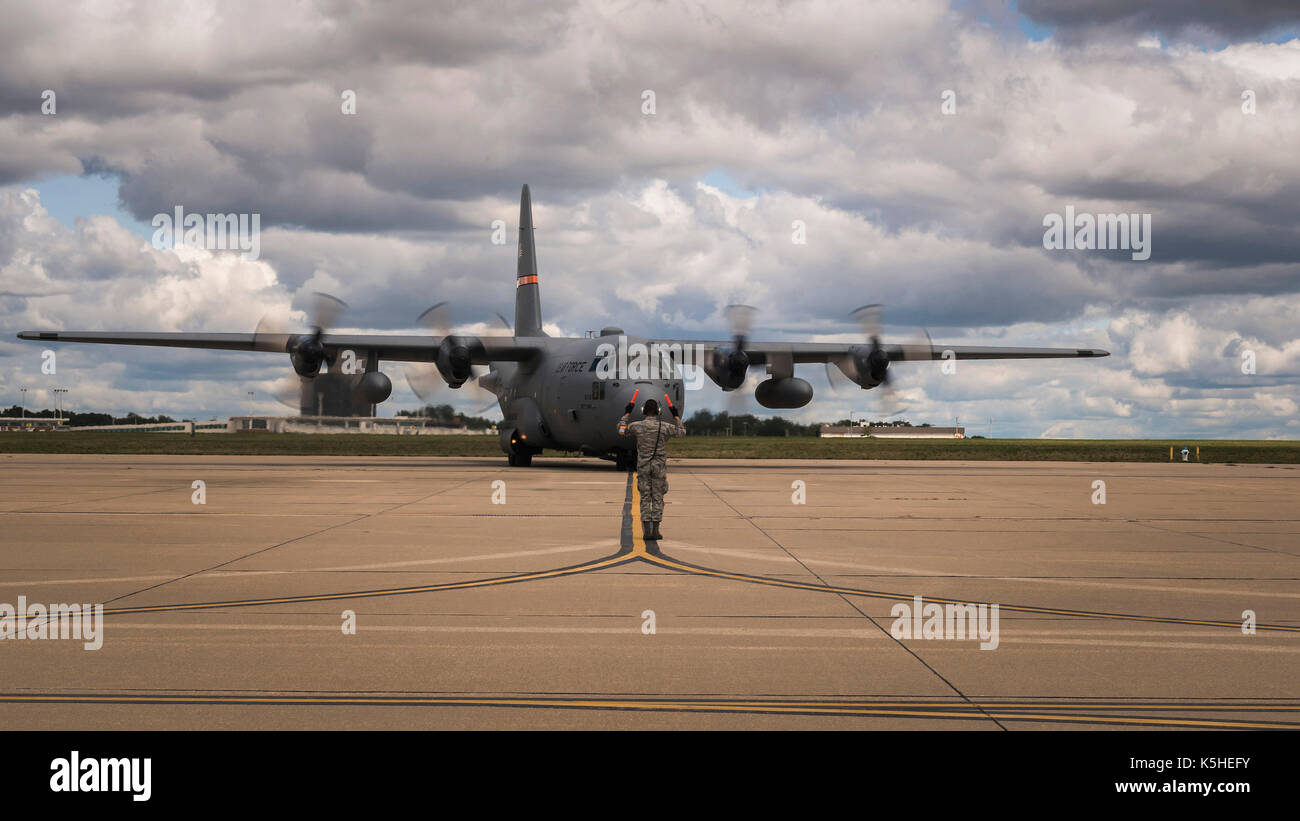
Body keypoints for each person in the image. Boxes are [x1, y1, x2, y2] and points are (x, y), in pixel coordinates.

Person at [617, 397, 685, 540]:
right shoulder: (665, 426)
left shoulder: (636, 426)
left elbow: (621, 430)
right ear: (658, 411)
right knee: (658, 497)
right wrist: (676, 415)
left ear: (643, 411)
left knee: (645, 497)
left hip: (643, 467)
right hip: (658, 467)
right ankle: (656, 530)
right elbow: (681, 432)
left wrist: (627, 413)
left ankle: (646, 530)